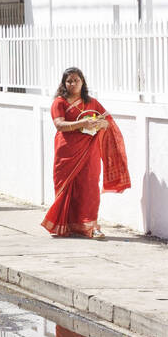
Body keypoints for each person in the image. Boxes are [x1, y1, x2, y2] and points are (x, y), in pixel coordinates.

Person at [42, 68, 130, 239]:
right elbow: (59, 125)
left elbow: (107, 122)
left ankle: (91, 226)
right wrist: (82, 123)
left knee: (89, 188)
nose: (73, 84)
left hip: (90, 151)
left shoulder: (92, 103)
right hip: (66, 152)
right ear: (64, 83)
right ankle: (66, 225)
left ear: (83, 82)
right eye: (69, 81)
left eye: (76, 80)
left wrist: (98, 124)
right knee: (66, 188)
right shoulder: (59, 103)